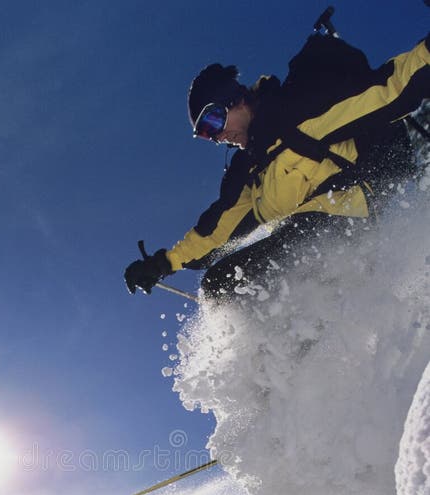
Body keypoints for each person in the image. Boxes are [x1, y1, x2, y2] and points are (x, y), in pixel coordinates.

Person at [124, 29, 430, 298]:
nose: (217, 136)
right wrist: (163, 263)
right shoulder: (249, 172)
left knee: (252, 271)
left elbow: (388, 91)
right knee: (220, 285)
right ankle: (294, 353)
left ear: (237, 99)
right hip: (313, 237)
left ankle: (301, 341)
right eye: (206, 133)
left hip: (358, 215)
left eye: (214, 120)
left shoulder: (295, 115)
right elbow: (214, 233)